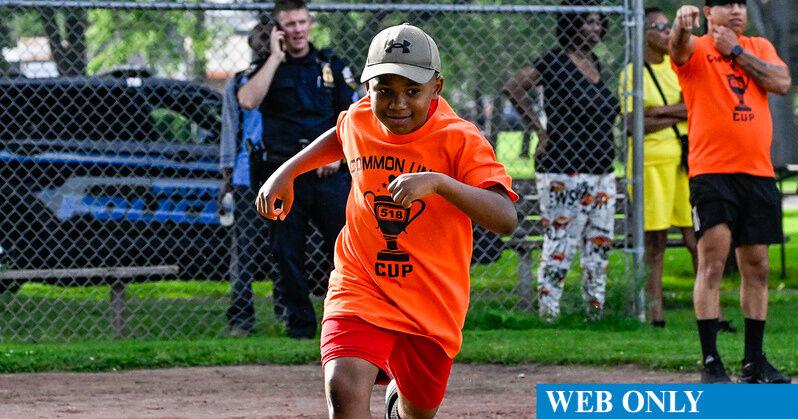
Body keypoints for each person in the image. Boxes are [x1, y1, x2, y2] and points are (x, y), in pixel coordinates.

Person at [256, 23, 518, 419]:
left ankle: (400, 403)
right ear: (367, 88)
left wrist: (441, 184)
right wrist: (287, 172)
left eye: (412, 91)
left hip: (431, 299)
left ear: (437, 88)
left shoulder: (460, 139)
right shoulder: (363, 118)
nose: (397, 104)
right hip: (362, 280)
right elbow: (342, 133)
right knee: (343, 384)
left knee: (420, 410)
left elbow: (505, 218)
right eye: (385, 91)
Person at [670, 0, 792, 383]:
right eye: (726, 4)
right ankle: (712, 363)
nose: (737, 10)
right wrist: (680, 24)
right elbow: (677, 47)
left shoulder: (757, 46)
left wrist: (735, 51)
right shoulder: (698, 47)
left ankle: (754, 362)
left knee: (757, 266)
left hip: (757, 173)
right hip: (713, 173)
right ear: (709, 12)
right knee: (713, 263)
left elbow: (781, 83)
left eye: (741, 3)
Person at [232, 0, 357, 339]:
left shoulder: (329, 64)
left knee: (345, 248)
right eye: (289, 24)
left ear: (311, 22)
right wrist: (274, 57)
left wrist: (338, 156)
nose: (297, 29)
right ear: (278, 30)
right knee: (286, 253)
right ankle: (299, 326)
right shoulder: (267, 67)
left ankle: (349, 321)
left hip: (327, 172)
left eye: (302, 22)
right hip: (283, 173)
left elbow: (352, 115)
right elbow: (247, 100)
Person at [503, 0, 619, 322]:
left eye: (598, 23)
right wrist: (540, 131)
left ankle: (596, 314)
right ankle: (549, 315)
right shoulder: (554, 61)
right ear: (571, 24)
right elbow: (513, 87)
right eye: (587, 22)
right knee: (561, 243)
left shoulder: (595, 62)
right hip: (563, 170)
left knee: (599, 245)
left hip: (602, 171)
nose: (594, 29)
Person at [620, 7, 698, 328]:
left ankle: (709, 312)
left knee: (696, 237)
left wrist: (654, 114)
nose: (667, 33)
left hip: (684, 162)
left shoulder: (678, 67)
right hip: (650, 165)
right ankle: (655, 312)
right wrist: (675, 111)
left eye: (669, 27)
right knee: (656, 241)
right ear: (644, 33)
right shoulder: (631, 72)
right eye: (659, 27)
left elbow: (694, 108)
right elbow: (631, 124)